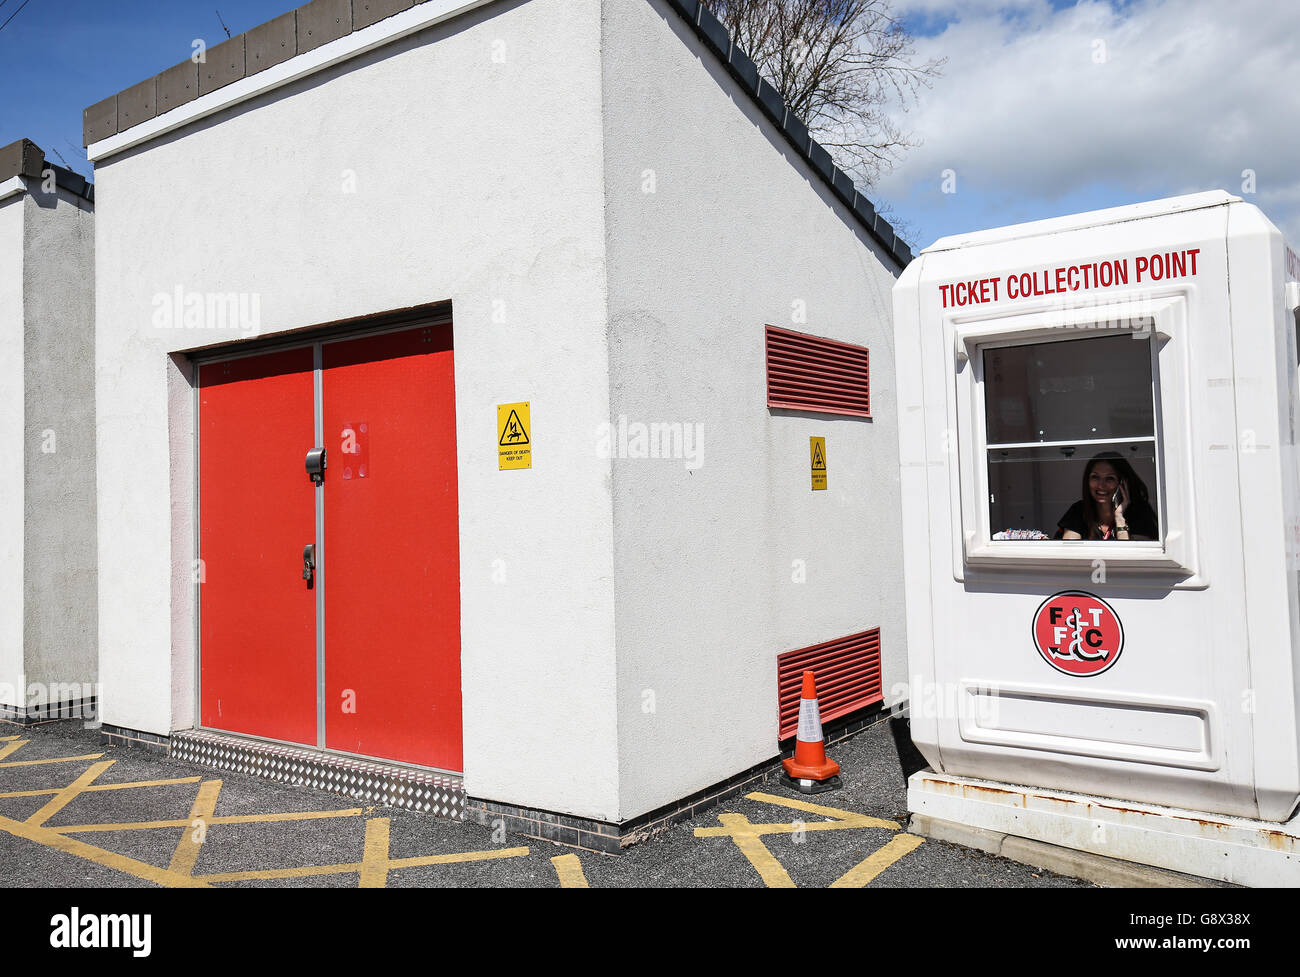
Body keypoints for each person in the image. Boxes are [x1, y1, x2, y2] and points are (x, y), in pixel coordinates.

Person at [1057, 452, 1158, 541]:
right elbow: (1070, 551)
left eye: (1110, 478)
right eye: (1095, 477)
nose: (1101, 485)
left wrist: (1119, 517)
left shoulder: (1139, 513)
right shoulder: (1078, 510)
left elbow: (1131, 558)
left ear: (1122, 483)